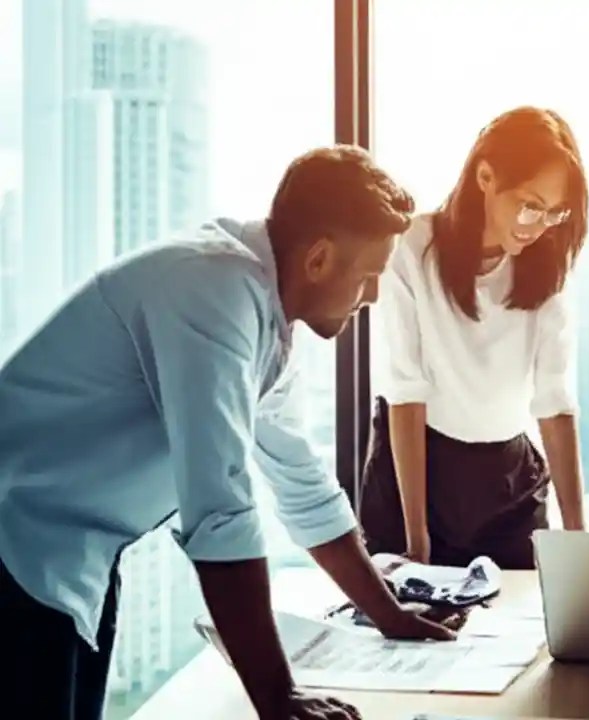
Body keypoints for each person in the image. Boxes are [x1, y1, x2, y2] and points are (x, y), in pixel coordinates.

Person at [0, 145, 468, 720]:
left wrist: (388, 614)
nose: (371, 297)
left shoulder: (264, 315)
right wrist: (277, 696)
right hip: (16, 550)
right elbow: (220, 506)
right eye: (369, 276)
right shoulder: (212, 290)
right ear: (319, 259)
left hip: (72, 558)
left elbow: (302, 484)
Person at [358, 106, 588, 570]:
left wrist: (581, 540)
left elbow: (554, 403)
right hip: (415, 472)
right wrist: (417, 537)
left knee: (529, 607)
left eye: (553, 212)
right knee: (411, 608)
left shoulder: (547, 267)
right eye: (530, 205)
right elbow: (406, 392)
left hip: (507, 481)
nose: (538, 225)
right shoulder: (413, 247)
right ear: (485, 176)